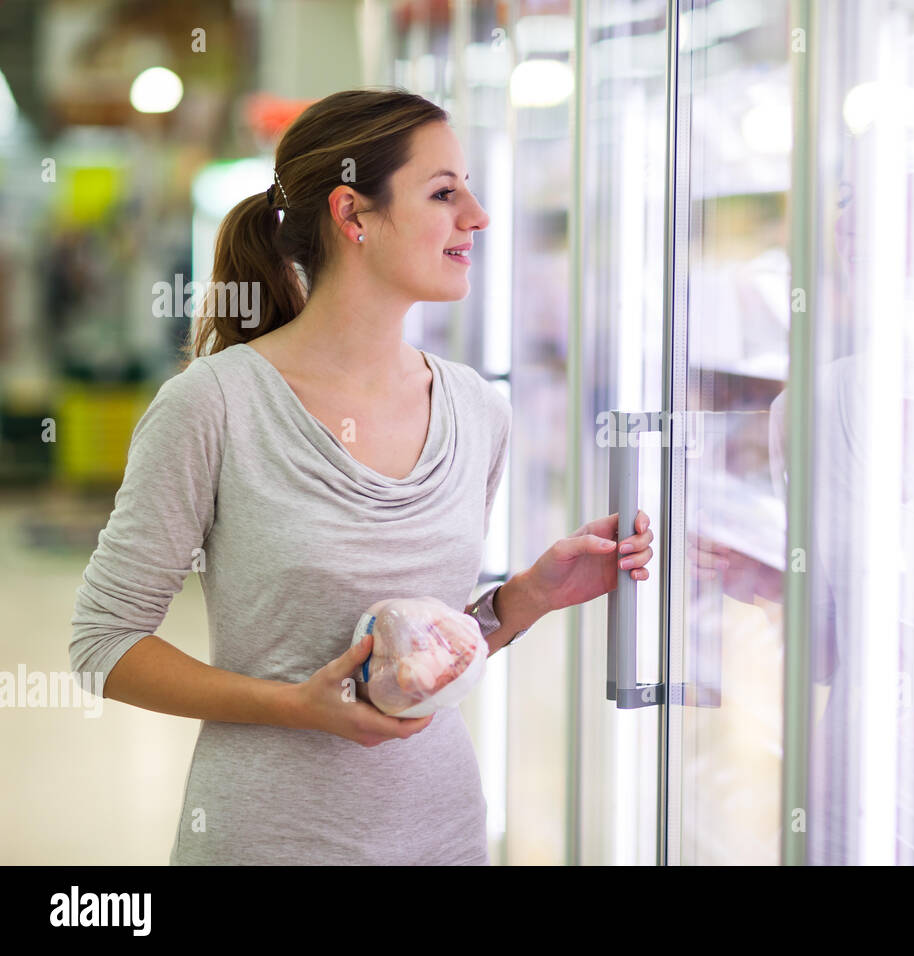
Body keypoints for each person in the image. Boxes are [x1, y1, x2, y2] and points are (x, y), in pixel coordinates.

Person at [68, 89, 654, 865]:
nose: (478, 216)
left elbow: (415, 651)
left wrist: (528, 596)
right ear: (353, 215)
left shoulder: (477, 410)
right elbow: (103, 644)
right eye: (443, 193)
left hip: (443, 836)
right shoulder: (213, 406)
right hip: (271, 843)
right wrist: (297, 707)